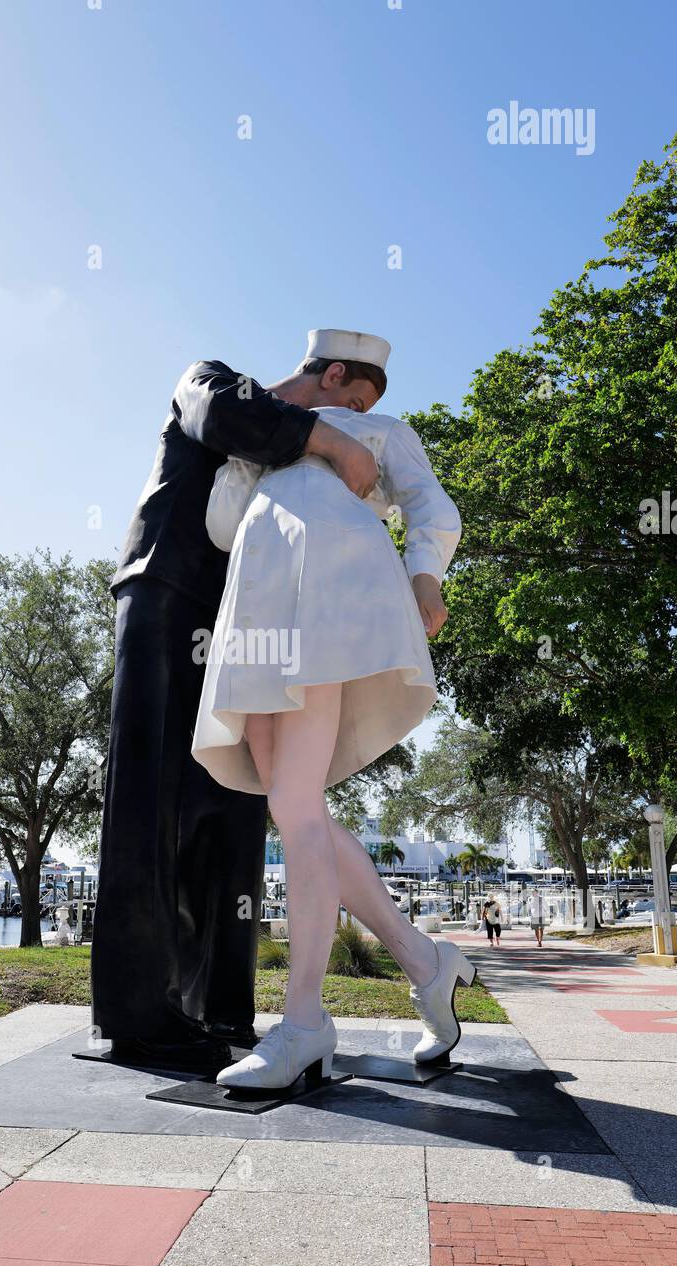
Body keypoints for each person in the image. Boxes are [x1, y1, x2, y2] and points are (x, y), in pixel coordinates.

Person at [91, 333, 386, 1072]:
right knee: (148, 794)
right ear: (333, 374)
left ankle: (221, 1004)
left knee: (241, 799)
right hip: (165, 593)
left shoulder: (298, 461)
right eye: (349, 403)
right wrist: (332, 444)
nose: (350, 422)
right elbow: (219, 412)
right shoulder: (211, 377)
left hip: (242, 621)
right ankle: (137, 1014)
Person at [190, 329, 476, 1090]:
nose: (358, 409)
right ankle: (424, 961)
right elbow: (222, 527)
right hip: (255, 602)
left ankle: (306, 1021)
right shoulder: (266, 433)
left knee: (297, 806)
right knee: (295, 805)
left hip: (330, 589)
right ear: (336, 374)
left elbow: (429, 506)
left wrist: (425, 577)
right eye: (355, 396)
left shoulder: (381, 432)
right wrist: (249, 456)